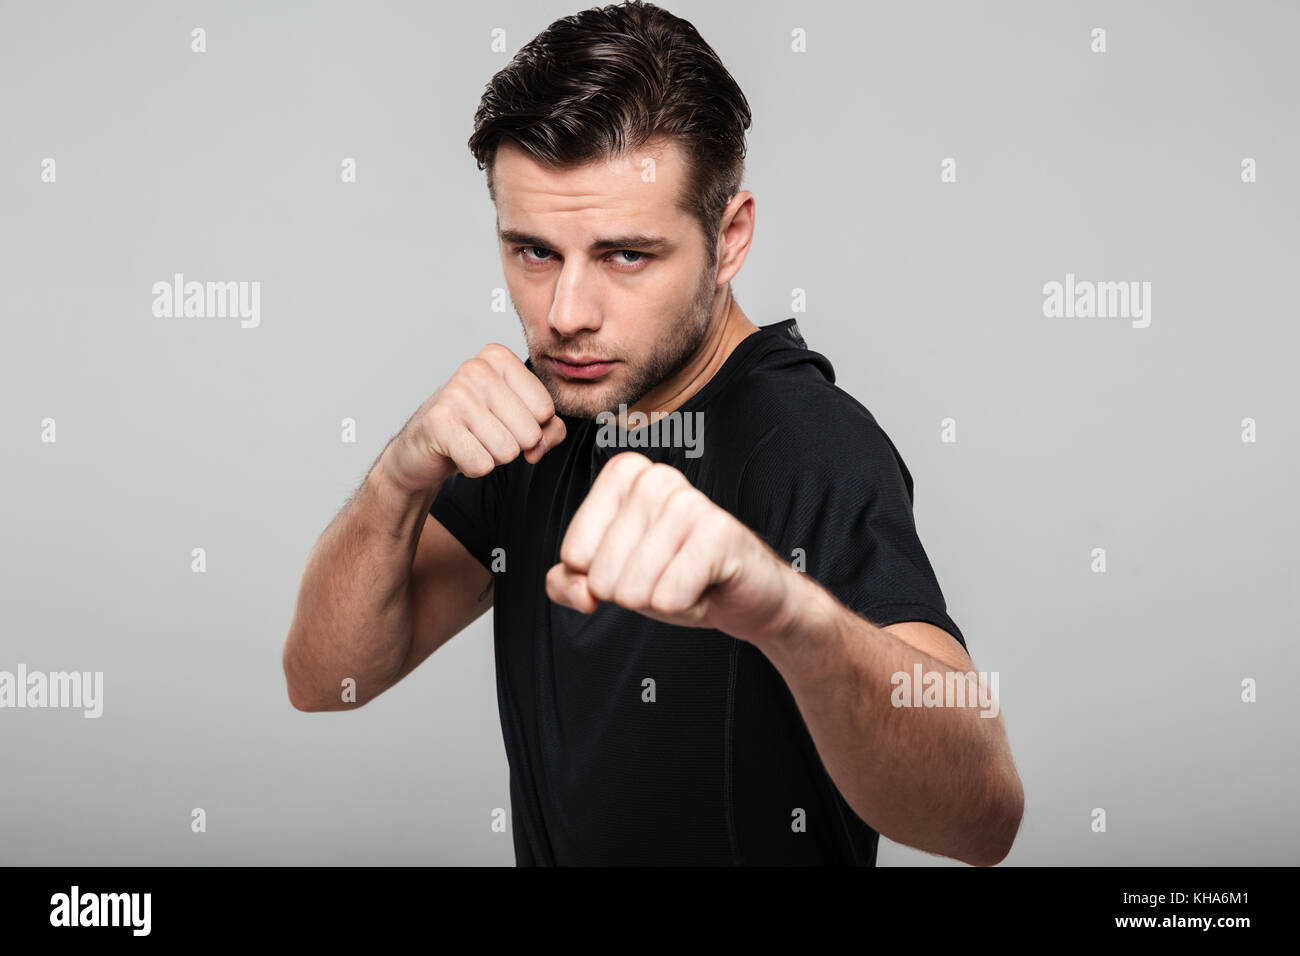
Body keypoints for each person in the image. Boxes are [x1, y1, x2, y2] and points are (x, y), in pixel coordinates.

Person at [281, 0, 1023, 866]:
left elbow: (983, 819)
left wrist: (785, 614)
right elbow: (325, 680)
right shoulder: (540, 413)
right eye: (534, 253)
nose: (565, 317)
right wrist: (398, 479)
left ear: (729, 238)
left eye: (626, 255)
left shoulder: (811, 445)